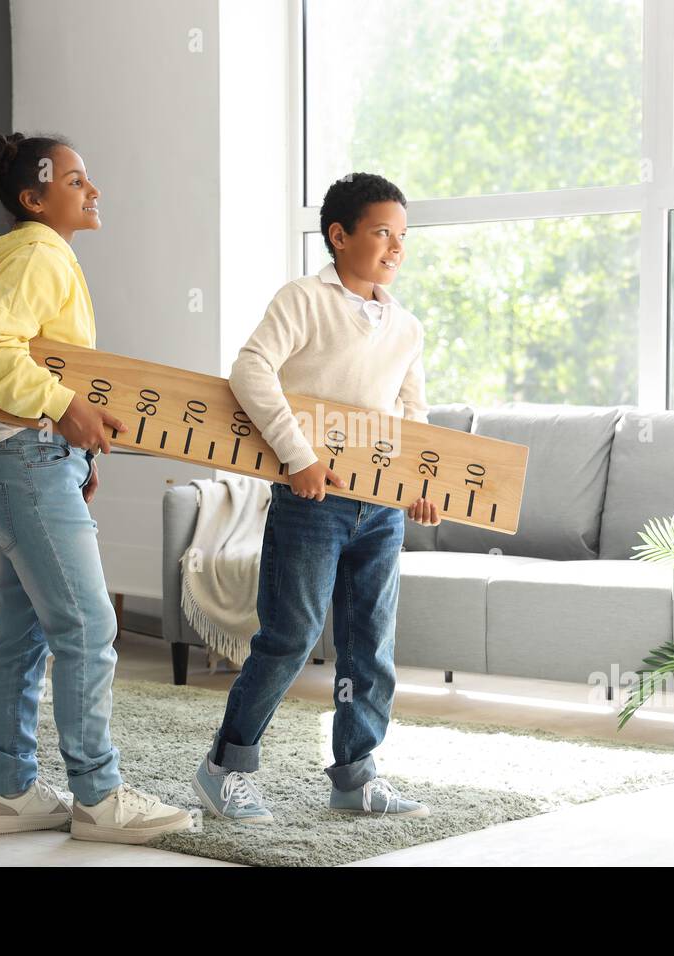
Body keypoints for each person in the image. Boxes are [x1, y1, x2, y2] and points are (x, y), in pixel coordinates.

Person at [0, 131, 191, 844]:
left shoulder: (40, 256)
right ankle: (97, 797)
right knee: (89, 627)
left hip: (22, 465)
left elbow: (35, 365)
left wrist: (74, 455)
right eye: (76, 180)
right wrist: (64, 412)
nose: (93, 190)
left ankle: (11, 792)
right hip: (28, 463)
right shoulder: (37, 254)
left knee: (23, 636)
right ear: (35, 198)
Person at [193, 172, 440, 823]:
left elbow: (413, 417)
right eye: (383, 232)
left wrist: (421, 487)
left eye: (403, 235)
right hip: (312, 503)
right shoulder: (303, 299)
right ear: (340, 235)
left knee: (369, 646)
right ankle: (226, 766)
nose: (396, 248)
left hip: (382, 513)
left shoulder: (406, 326)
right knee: (291, 636)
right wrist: (296, 457)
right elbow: (250, 368)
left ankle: (356, 777)